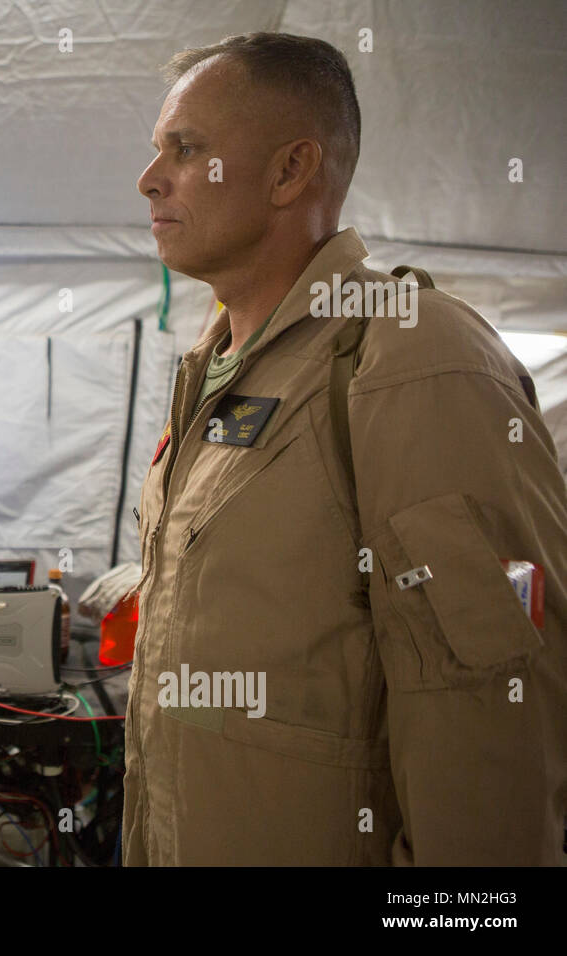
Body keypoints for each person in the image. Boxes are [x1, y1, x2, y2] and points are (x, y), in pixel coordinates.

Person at [124, 32, 567, 865]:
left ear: (291, 172)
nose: (149, 180)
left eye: (187, 150)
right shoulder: (222, 369)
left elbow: (490, 709)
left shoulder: (409, 357)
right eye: (158, 153)